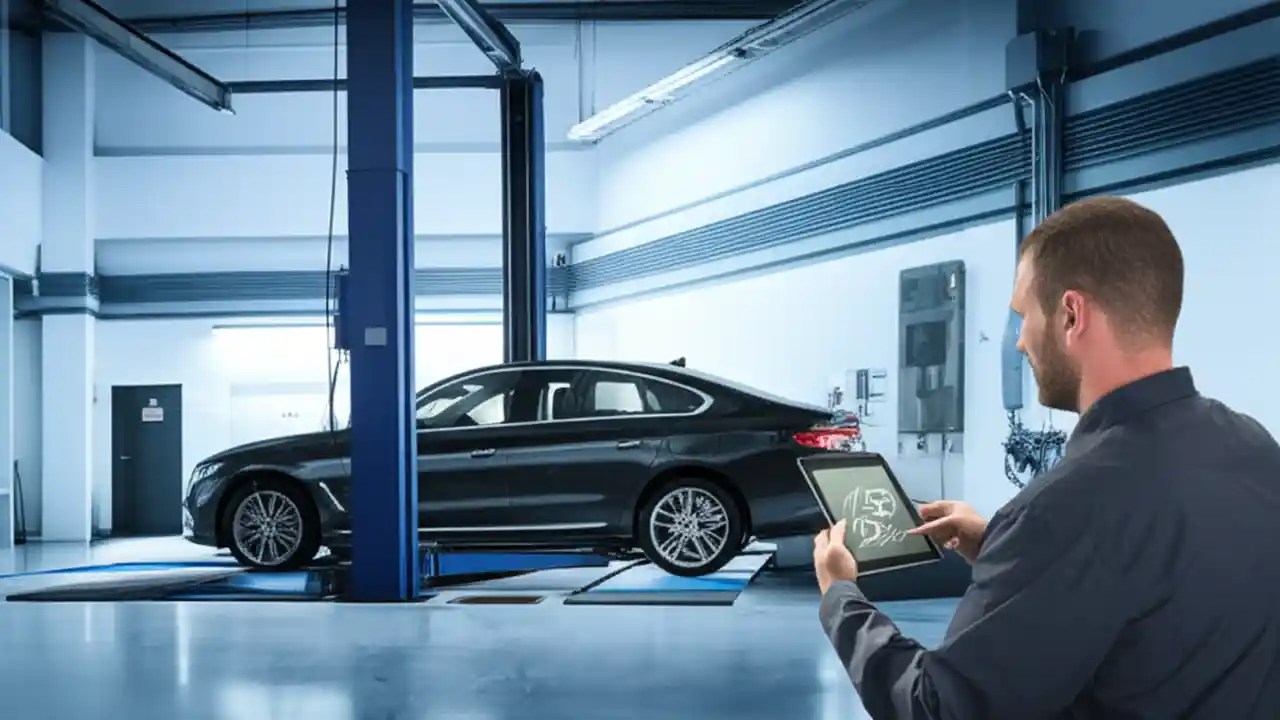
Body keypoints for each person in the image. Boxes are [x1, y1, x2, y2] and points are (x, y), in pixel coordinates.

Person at [813, 196, 1280, 719]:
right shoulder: (1255, 449)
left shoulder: (1070, 505)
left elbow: (938, 708)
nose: (1018, 343)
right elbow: (1160, 592)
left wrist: (841, 598)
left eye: (1022, 315)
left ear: (1071, 315)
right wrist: (1000, 543)